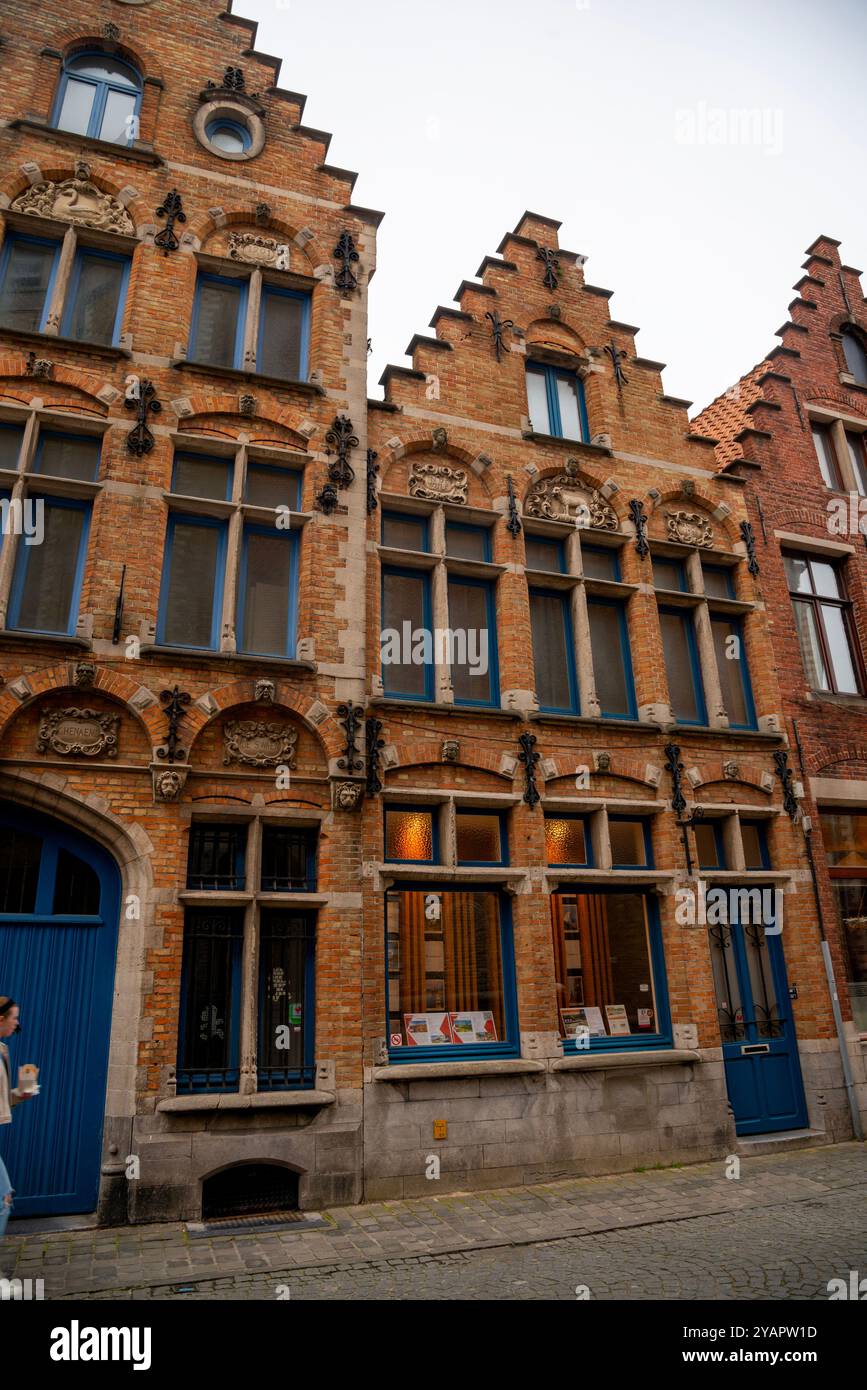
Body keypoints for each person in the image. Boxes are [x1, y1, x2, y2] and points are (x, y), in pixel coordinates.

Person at [0, 998, 35, 1238]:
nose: (17, 1022)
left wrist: (23, 1092)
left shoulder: (3, 1051)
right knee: (3, 1200)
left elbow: (3, 1100)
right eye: (14, 1017)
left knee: (4, 1198)